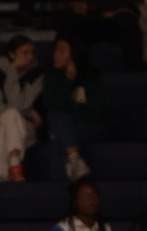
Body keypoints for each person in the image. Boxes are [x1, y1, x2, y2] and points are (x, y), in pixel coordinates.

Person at [44, 36, 105, 182]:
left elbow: (95, 112)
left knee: (57, 131)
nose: (55, 55)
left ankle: (57, 189)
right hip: (66, 124)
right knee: (57, 131)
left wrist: (69, 115)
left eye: (62, 51)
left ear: (73, 54)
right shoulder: (52, 75)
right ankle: (74, 159)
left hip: (88, 125)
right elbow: (51, 105)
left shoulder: (90, 75)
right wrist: (68, 81)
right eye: (55, 50)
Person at [0, 34, 44, 183]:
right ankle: (15, 167)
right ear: (11, 54)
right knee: (10, 115)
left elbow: (19, 104)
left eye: (32, 52)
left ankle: (6, 174)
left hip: (26, 128)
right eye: (25, 53)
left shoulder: (36, 75)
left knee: (10, 117)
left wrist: (12, 73)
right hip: (0, 121)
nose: (30, 57)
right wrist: (29, 111)